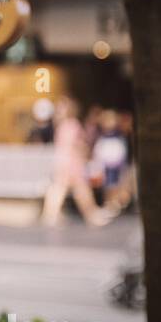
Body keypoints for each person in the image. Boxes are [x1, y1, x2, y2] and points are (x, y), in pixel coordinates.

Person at [41, 96, 113, 227]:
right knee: (78, 189)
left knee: (60, 189)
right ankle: (90, 214)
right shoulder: (71, 125)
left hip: (63, 161)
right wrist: (84, 150)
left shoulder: (62, 125)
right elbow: (75, 145)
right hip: (71, 162)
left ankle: (51, 215)